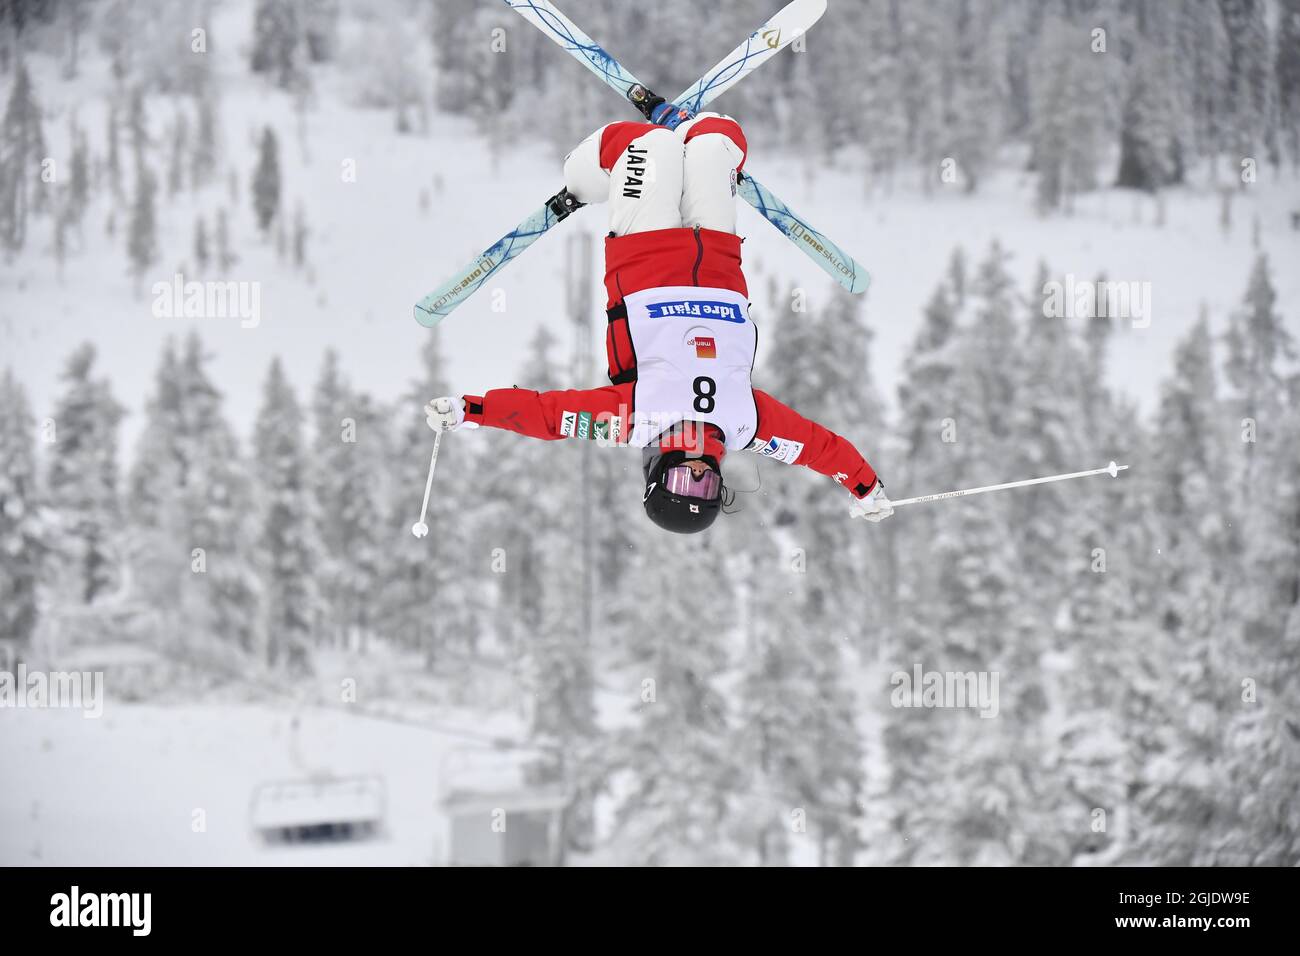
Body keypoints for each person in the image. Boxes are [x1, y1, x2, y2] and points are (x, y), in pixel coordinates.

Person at [425, 106, 892, 534]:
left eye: (682, 485)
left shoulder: (629, 420)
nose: (696, 476)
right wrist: (866, 486)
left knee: (649, 146)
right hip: (717, 257)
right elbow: (820, 448)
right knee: (715, 141)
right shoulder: (747, 426)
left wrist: (471, 410)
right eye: (706, 491)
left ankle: (585, 176)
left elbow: (547, 416)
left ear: (655, 475)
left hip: (643, 257)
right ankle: (687, 128)